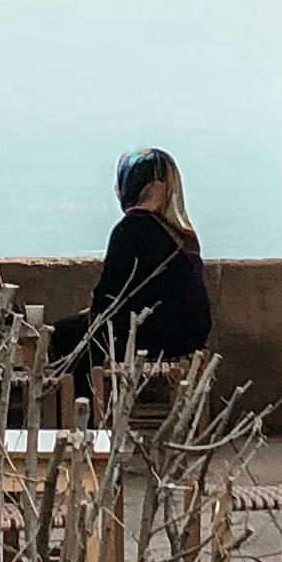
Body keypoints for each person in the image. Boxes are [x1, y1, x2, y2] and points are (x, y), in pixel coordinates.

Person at [53, 147, 212, 384]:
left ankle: (81, 411)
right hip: (189, 335)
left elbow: (107, 299)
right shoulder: (181, 234)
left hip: (151, 338)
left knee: (62, 335)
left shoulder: (131, 228)